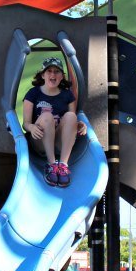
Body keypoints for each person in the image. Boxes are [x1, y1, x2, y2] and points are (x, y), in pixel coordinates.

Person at [22, 56, 86, 187]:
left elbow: (71, 120)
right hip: (40, 142)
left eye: (56, 71)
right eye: (49, 71)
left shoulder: (67, 95)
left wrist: (79, 125)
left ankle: (62, 166)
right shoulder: (33, 93)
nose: (53, 74)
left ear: (62, 76)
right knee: (47, 116)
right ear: (43, 75)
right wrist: (31, 127)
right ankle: (52, 165)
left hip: (58, 143)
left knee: (71, 116)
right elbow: (25, 123)